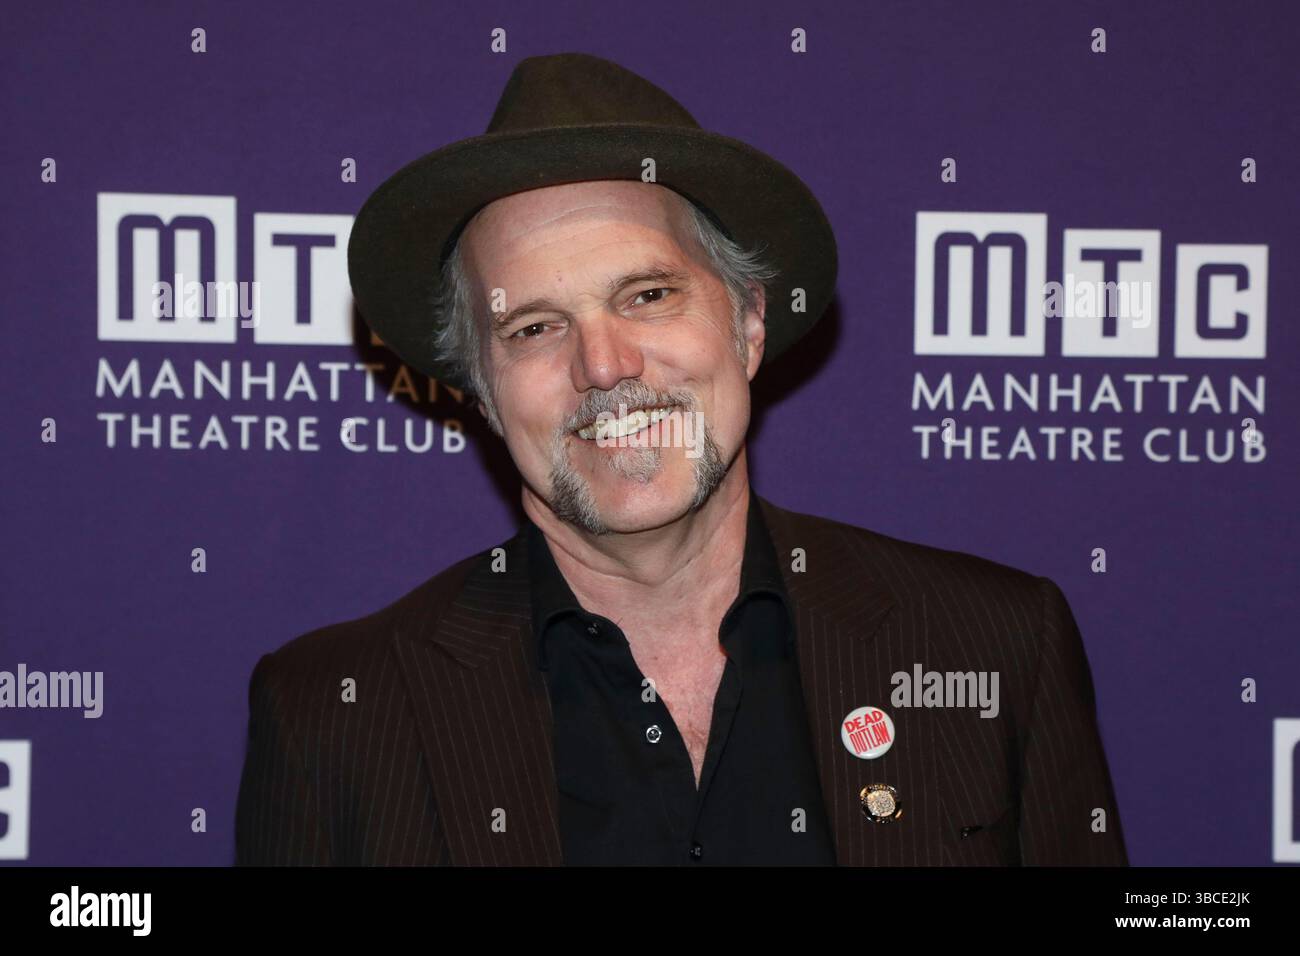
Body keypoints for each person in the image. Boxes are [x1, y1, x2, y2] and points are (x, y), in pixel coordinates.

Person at [235, 52, 1127, 866]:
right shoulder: (333, 714)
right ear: (481, 393)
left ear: (747, 323)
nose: (604, 366)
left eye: (650, 294)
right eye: (536, 327)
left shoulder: (998, 647)